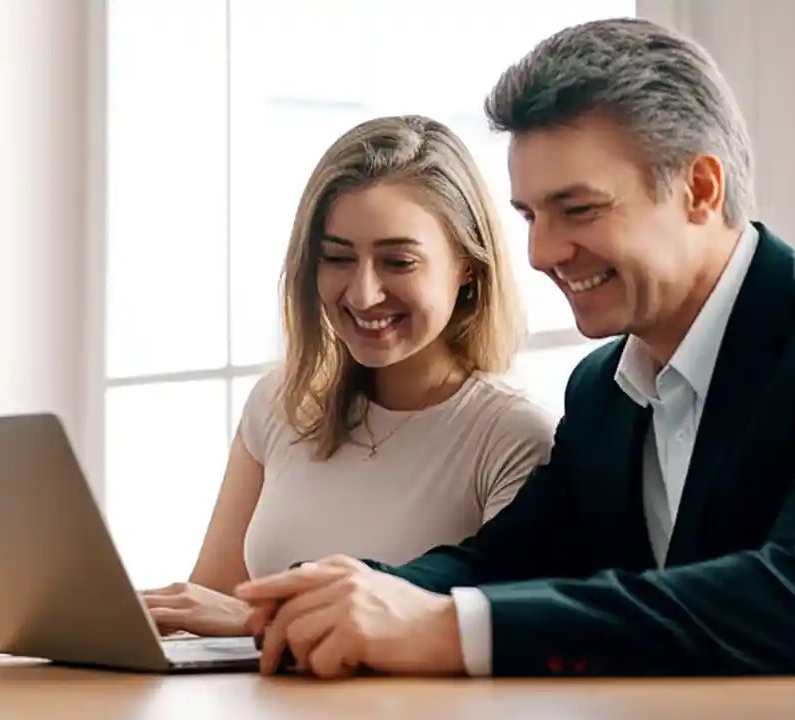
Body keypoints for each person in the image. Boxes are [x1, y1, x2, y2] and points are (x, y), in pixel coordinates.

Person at [236, 17, 795, 679]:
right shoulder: (603, 391)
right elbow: (500, 561)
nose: (540, 250)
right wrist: (326, 595)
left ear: (699, 187)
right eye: (529, 214)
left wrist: (444, 629)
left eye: (578, 209)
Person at [141, 115, 557, 638]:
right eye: (337, 258)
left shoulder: (514, 436)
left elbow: (497, 637)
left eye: (398, 262)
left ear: (466, 266)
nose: (363, 294)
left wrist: (256, 622)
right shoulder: (280, 403)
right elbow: (203, 610)